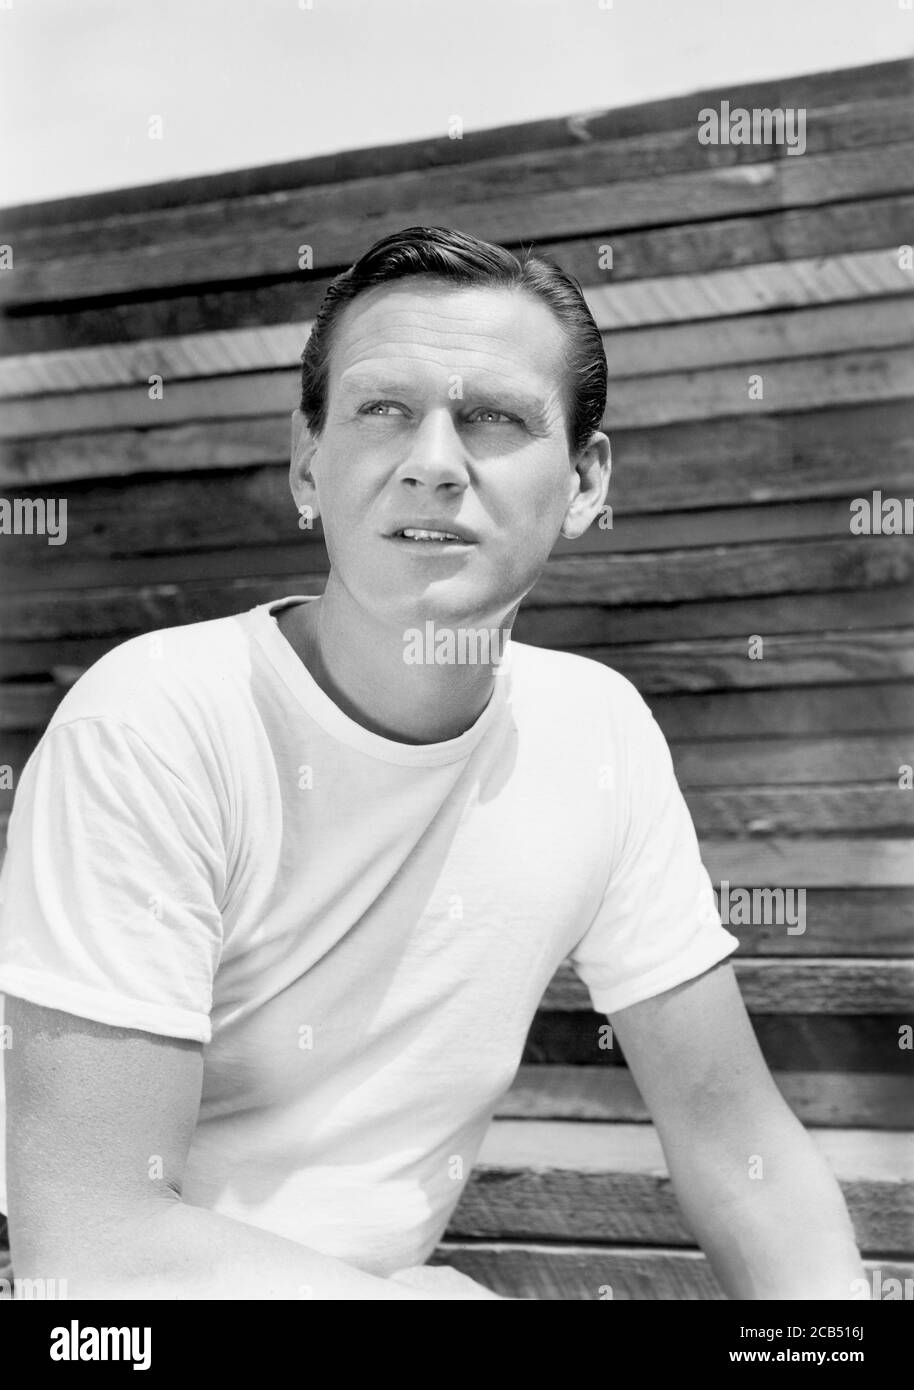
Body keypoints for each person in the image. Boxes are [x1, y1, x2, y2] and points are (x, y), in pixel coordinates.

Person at [0, 226, 863, 1300]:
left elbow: (737, 1146)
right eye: (382, 410)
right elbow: (87, 1242)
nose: (432, 461)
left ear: (586, 481)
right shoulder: (154, 724)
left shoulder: (595, 732)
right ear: (307, 464)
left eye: (492, 418)